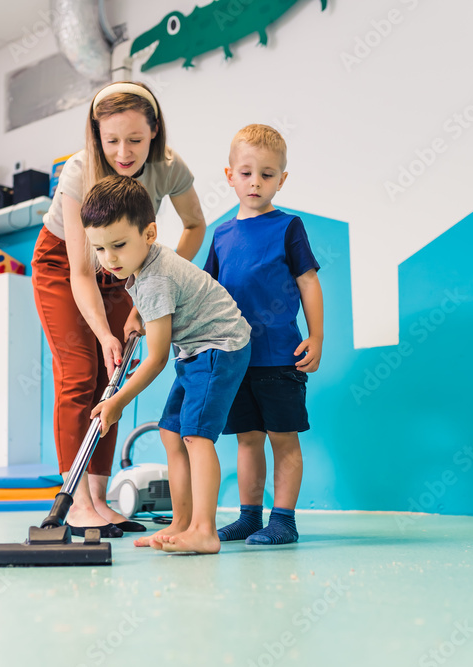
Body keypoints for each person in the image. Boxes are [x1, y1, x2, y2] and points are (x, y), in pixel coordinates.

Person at [32, 81, 206, 537]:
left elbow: (194, 225)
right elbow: (82, 272)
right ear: (96, 136)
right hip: (64, 265)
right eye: (111, 141)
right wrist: (106, 333)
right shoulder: (78, 174)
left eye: (135, 139)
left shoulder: (168, 168)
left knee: (112, 378)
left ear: (154, 132)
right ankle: (74, 502)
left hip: (124, 268)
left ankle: (99, 498)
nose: (123, 153)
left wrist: (146, 294)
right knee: (80, 372)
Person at [82, 175, 251, 554]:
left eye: (119, 245)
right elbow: (154, 300)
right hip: (194, 350)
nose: (110, 259)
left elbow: (156, 359)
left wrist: (117, 402)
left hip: (218, 347)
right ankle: (182, 522)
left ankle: (204, 531)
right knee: (171, 434)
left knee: (195, 436)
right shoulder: (144, 267)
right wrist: (136, 314)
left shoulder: (156, 279)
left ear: (150, 233)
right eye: (100, 249)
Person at [204, 124, 324, 545]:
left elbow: (308, 282)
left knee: (282, 439)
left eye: (267, 174)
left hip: (279, 355)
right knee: (247, 439)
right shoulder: (220, 235)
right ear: (229, 175)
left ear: (282, 180)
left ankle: (284, 520)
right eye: (246, 172)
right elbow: (207, 293)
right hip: (235, 357)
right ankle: (249, 517)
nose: (256, 182)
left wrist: (317, 336)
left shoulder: (288, 227)